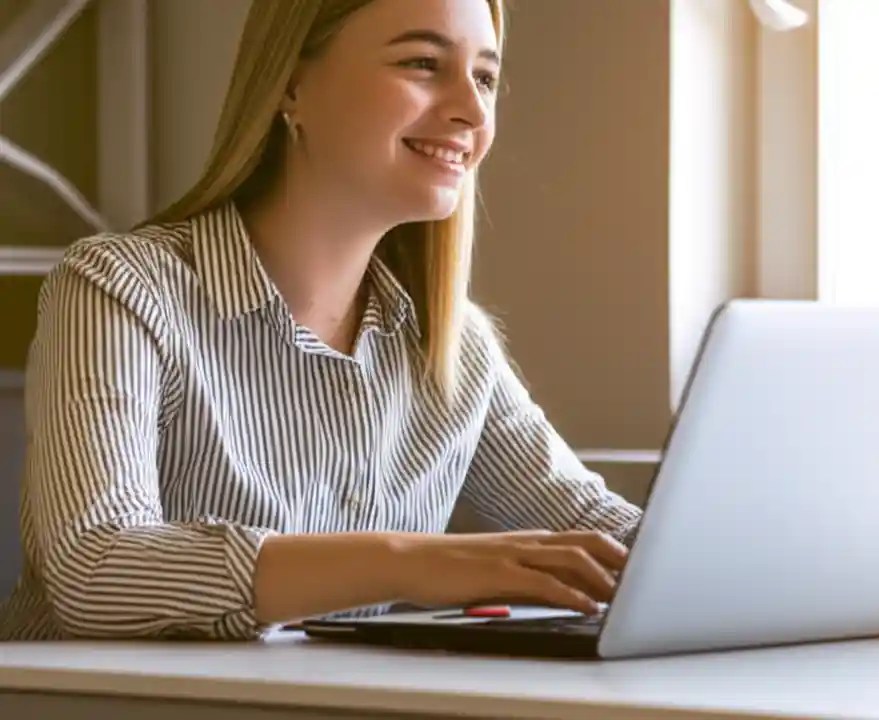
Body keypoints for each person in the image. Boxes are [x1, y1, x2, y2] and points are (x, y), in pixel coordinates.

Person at [0, 0, 642, 641]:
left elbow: (596, 526)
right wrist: (409, 565)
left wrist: (720, 558)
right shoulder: (121, 287)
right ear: (290, 84)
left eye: (484, 78)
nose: (472, 112)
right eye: (422, 63)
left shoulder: (453, 344)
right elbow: (95, 568)